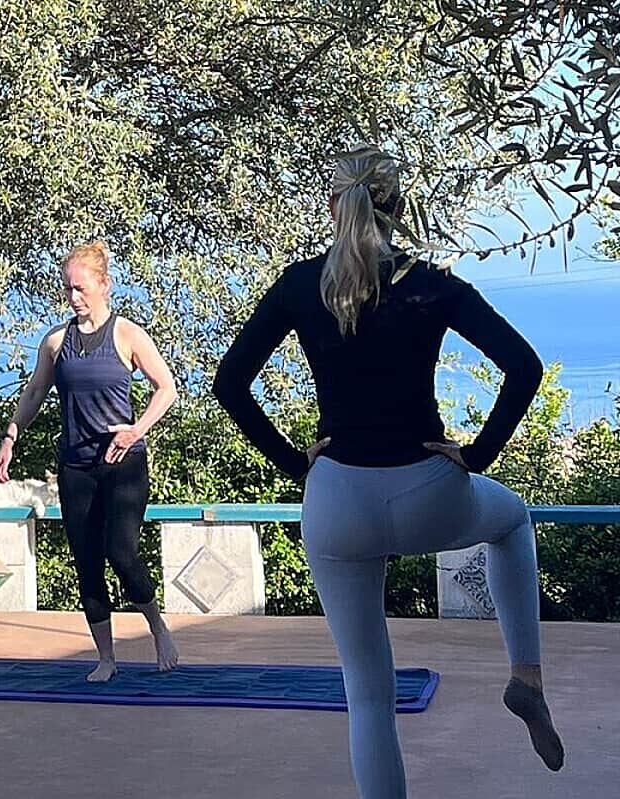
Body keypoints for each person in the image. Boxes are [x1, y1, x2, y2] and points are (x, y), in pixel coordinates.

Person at [212, 147, 564, 797]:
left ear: (332, 207)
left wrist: (293, 462)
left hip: (337, 500)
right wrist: (478, 454)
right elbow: (524, 367)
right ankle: (526, 676)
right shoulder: (430, 284)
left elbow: (230, 383)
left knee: (368, 696)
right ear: (398, 209)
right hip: (428, 489)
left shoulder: (299, 285)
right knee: (512, 519)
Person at [0, 240, 179, 682]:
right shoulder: (56, 342)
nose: (73, 297)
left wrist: (137, 429)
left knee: (121, 551)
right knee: (87, 560)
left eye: (80, 288)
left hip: (123, 464)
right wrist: (10, 437)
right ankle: (106, 658)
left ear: (103, 285)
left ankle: (158, 628)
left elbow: (166, 388)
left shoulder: (127, 335)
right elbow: (35, 392)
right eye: (68, 288)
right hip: (76, 467)